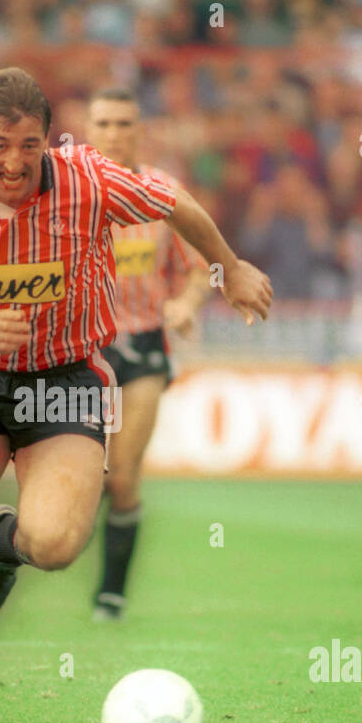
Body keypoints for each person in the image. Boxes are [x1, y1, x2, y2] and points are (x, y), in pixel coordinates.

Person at [0, 67, 272, 723]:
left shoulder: (88, 178)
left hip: (65, 379)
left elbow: (174, 203)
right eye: (0, 144)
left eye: (29, 146)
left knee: (57, 546)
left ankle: (4, 545)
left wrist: (227, 268)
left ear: (48, 142)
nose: (14, 161)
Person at [81, 86, 208, 621]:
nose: (114, 134)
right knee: (86, 476)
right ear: (88, 130)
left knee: (124, 474)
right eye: (104, 123)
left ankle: (111, 593)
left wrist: (185, 303)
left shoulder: (162, 191)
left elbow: (201, 266)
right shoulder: (70, 190)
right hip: (80, 348)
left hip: (144, 344)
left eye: (124, 124)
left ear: (141, 130)